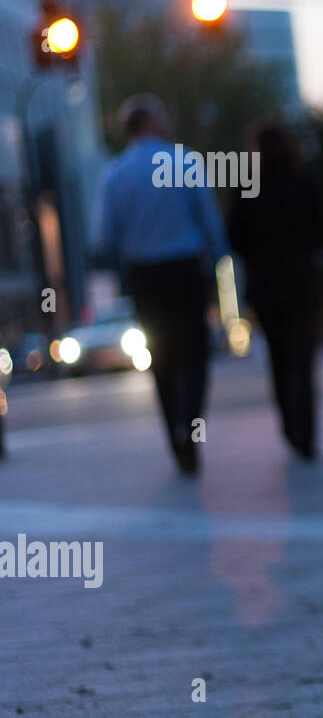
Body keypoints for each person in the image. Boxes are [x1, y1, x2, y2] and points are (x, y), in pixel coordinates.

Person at [96, 95, 228, 475]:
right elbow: (208, 218)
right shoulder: (183, 162)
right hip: (184, 269)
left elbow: (105, 235)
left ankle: (175, 435)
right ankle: (189, 426)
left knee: (162, 357)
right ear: (153, 122)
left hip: (144, 274)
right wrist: (218, 260)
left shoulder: (115, 174)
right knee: (195, 354)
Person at [227, 120, 323, 460]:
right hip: (302, 285)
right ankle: (306, 432)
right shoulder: (303, 183)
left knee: (280, 358)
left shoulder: (248, 188)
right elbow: (321, 234)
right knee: (303, 360)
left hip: (267, 288)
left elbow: (234, 238)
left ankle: (290, 425)